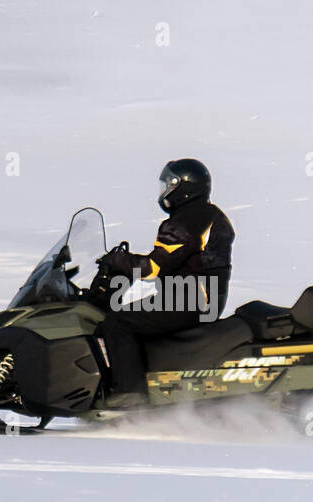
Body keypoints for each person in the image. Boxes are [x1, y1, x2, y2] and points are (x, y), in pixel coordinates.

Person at [94, 158, 235, 395]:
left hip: (190, 301)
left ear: (185, 187)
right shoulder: (207, 214)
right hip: (197, 299)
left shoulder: (189, 219)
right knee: (132, 315)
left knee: (118, 323)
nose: (165, 191)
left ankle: (130, 397)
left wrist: (118, 261)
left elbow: (154, 268)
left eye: (169, 184)